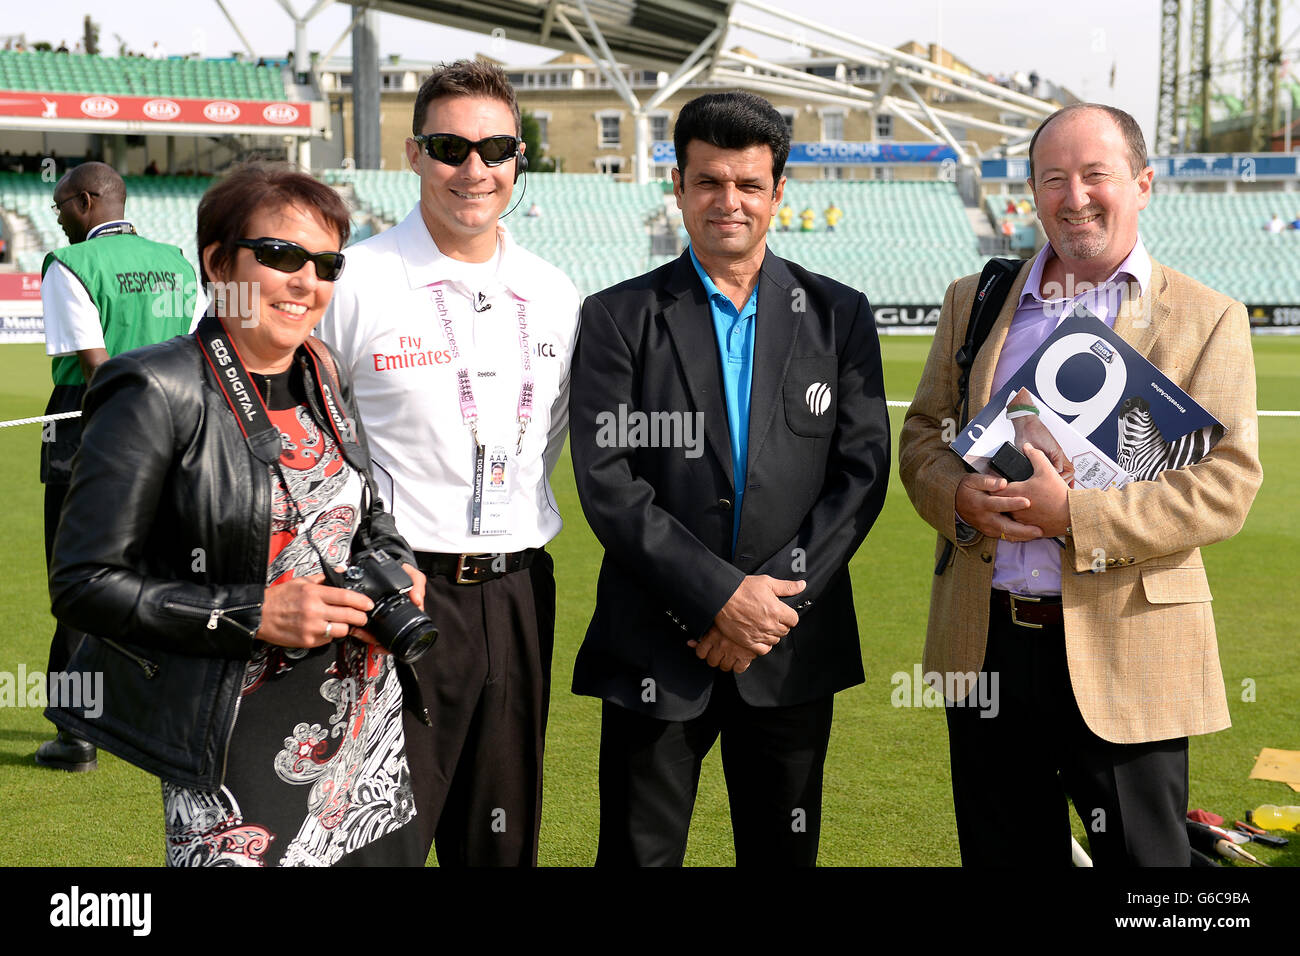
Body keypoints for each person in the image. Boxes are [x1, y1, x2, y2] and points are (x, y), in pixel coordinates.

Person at [898, 103, 1262, 866]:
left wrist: (1078, 516)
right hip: (988, 639)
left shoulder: (1206, 316)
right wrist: (959, 499)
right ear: (1031, 191)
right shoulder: (976, 299)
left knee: (1146, 873)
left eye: (1096, 175)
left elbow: (1227, 483)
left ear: (1143, 183)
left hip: (1127, 644)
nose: (1075, 196)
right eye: (1053, 178)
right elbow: (923, 435)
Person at [46, 163, 431, 866]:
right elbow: (82, 583)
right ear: (218, 263)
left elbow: (363, 510)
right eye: (281, 255)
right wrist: (252, 613)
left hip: (366, 736)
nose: (306, 281)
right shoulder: (153, 388)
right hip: (231, 739)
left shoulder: (322, 367)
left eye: (325, 262)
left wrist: (396, 562)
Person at [569, 91, 891, 866]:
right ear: (677, 187)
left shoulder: (838, 314)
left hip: (790, 645)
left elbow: (861, 474)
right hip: (657, 642)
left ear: (779, 193)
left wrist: (772, 604)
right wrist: (718, 597)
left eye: (748, 184)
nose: (729, 202)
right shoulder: (619, 317)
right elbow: (609, 483)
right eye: (709, 181)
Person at [317, 59, 580, 867]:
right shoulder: (352, 279)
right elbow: (304, 439)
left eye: (496, 148)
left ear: (519, 158)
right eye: (450, 147)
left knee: (501, 850)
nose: (475, 169)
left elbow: (554, 443)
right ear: (412, 153)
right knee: (373, 846)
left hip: (519, 593)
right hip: (393, 596)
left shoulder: (557, 290)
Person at [34, 161, 201, 773]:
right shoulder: (178, 262)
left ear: (86, 201)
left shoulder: (68, 264)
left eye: (60, 206)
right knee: (158, 571)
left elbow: (95, 365)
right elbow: (194, 349)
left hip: (90, 422)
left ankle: (77, 736)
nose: (56, 218)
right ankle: (166, 719)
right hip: (176, 419)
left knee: (78, 577)